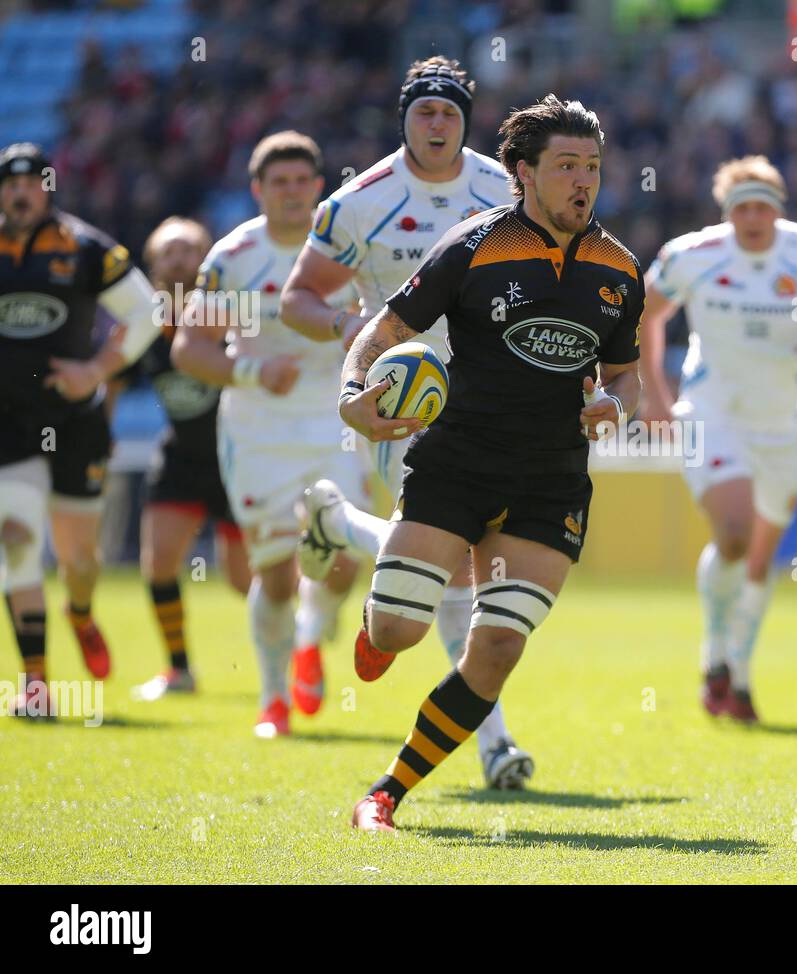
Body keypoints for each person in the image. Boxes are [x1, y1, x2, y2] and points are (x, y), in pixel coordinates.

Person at [343, 95, 642, 831]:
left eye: (593, 168)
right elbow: (382, 330)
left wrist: (616, 406)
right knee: (399, 633)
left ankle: (384, 795)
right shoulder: (471, 246)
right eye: (566, 166)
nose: (583, 181)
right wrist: (354, 394)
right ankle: (358, 565)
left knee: (498, 644)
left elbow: (626, 375)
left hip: (552, 480)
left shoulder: (621, 270)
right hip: (458, 462)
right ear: (523, 173)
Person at [280, 54, 531, 788]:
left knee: (482, 561)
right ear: (405, 118)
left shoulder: (502, 189)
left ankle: (341, 524)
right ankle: (496, 747)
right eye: (425, 111)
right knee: (457, 560)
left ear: (466, 121)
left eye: (450, 112)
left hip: (498, 396)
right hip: (403, 397)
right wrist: (351, 329)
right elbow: (300, 297)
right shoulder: (359, 201)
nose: (437, 124)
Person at [639, 156, 797, 722]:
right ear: (727, 212)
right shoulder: (690, 255)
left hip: (781, 420)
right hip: (708, 410)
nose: (753, 218)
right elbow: (644, 315)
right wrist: (655, 396)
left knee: (760, 556)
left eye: (763, 207)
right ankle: (715, 655)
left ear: (778, 210)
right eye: (742, 207)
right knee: (736, 533)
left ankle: (737, 675)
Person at [171, 131, 365, 738]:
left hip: (335, 421)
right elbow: (188, 348)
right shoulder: (232, 257)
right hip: (257, 428)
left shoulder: (346, 251)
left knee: (346, 560)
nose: (290, 192)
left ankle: (312, 636)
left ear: (318, 186)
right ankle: (273, 697)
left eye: (301, 181)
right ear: (258, 190)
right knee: (277, 573)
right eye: (277, 182)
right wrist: (254, 371)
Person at [0, 142, 158, 715]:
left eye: (31, 182)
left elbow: (147, 314)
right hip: (8, 424)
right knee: (15, 542)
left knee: (79, 562)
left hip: (74, 421)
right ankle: (36, 685)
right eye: (9, 183)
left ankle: (82, 613)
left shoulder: (86, 247)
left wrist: (95, 368)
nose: (20, 192)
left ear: (48, 187)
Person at [129, 216, 252, 701]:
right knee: (158, 563)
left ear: (205, 258)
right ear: (152, 264)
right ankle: (179, 670)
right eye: (168, 251)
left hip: (233, 456)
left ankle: (294, 651)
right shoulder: (143, 323)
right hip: (179, 458)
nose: (178, 258)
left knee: (245, 581)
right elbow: (114, 377)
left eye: (188, 249)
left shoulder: (229, 312)